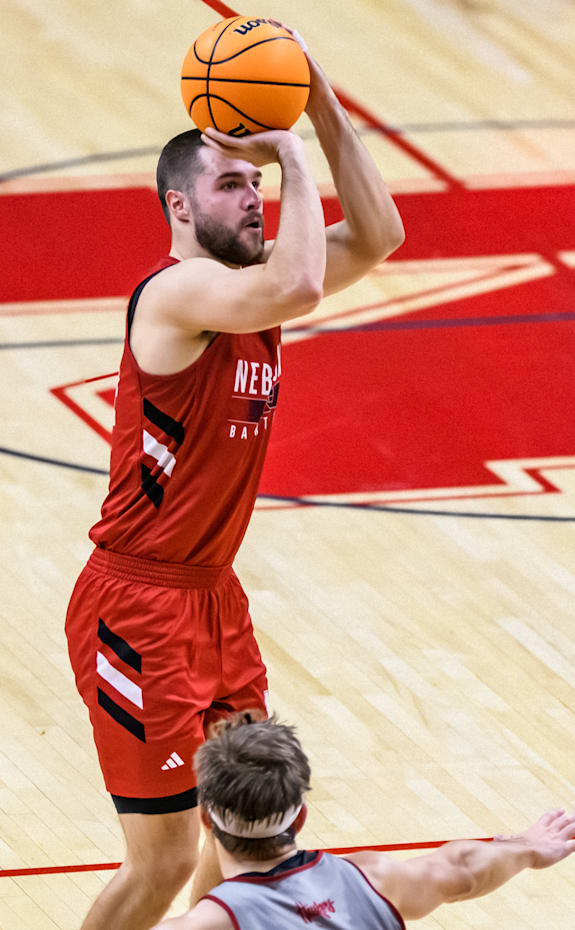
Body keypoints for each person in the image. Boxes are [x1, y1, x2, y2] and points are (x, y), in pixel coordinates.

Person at [64, 29, 405, 930]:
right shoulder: (178, 293)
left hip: (213, 597)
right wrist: (286, 145)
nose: (254, 195)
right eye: (232, 181)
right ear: (179, 207)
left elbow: (381, 234)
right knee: (167, 857)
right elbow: (299, 287)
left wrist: (319, 105)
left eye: (256, 183)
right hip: (134, 604)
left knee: (244, 843)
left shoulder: (255, 281)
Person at [152, 717, 575, 929]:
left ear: (205, 820)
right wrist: (525, 848)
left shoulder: (204, 925)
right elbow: (463, 868)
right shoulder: (374, 879)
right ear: (301, 815)